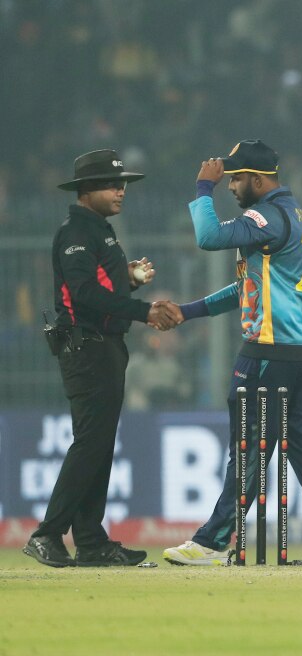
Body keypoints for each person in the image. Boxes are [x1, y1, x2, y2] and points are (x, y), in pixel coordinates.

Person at [163, 140, 302, 566]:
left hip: (270, 351)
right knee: (301, 441)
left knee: (248, 446)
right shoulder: (290, 214)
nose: (231, 187)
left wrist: (203, 188)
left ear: (258, 180)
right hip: (297, 348)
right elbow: (248, 288)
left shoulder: (264, 215)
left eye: (236, 179)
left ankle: (211, 541)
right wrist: (188, 312)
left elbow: (208, 236)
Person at [24, 149, 179, 568]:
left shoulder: (97, 229)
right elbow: (84, 296)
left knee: (98, 445)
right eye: (113, 184)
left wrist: (127, 279)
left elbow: (98, 286)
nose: (121, 190)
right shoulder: (77, 232)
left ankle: (91, 542)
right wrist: (143, 309)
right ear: (87, 189)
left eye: (122, 183)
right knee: (92, 444)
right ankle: (47, 534)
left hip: (102, 345)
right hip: (87, 346)